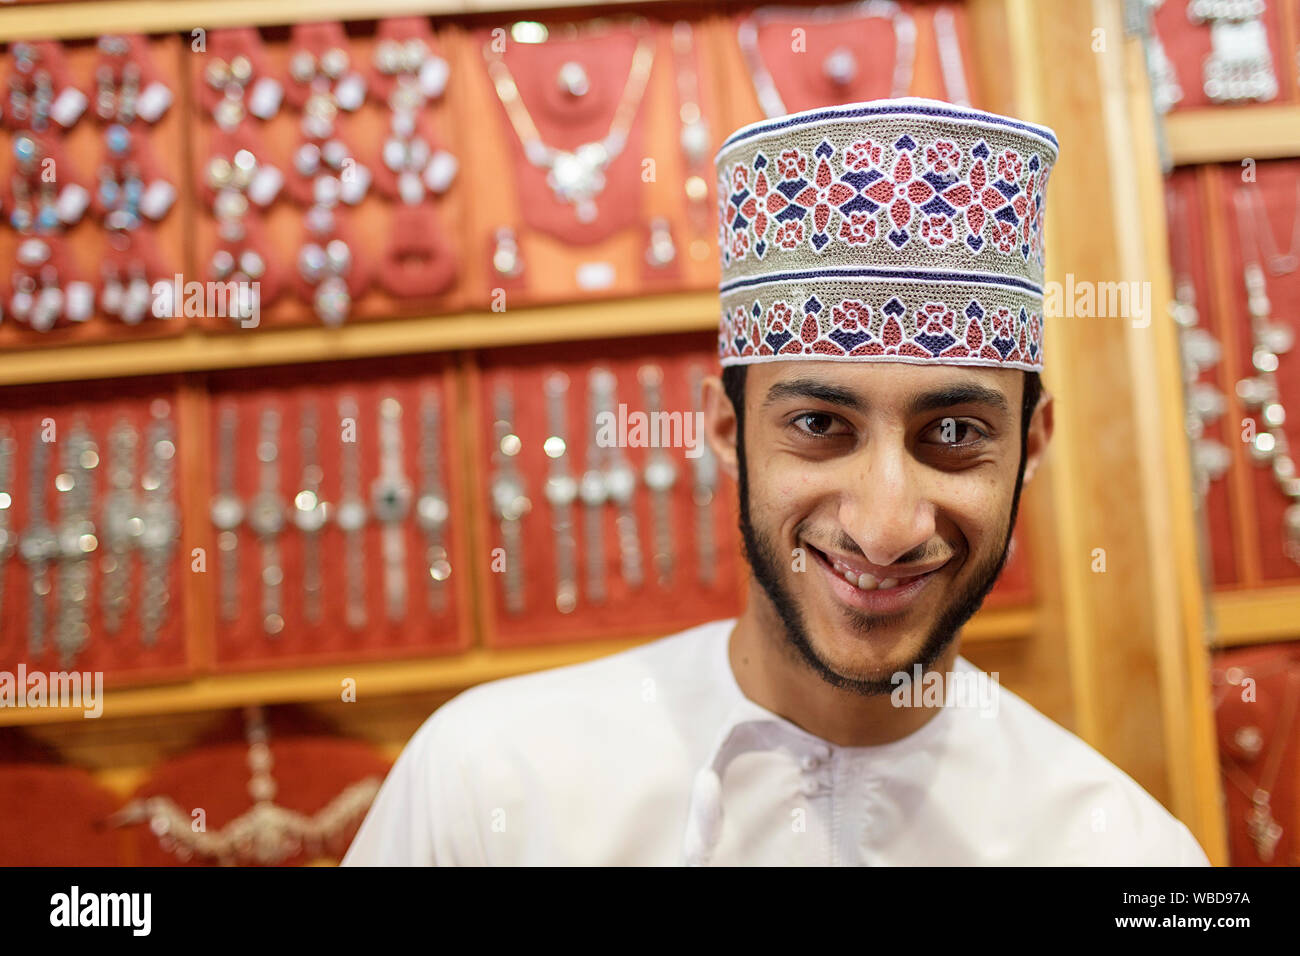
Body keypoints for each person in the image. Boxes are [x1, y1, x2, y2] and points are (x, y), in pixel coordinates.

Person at [343, 98, 1210, 866]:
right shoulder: (487, 784)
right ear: (728, 432)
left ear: (1032, 442)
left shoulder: (1126, 850)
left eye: (952, 434)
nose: (884, 526)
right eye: (820, 426)